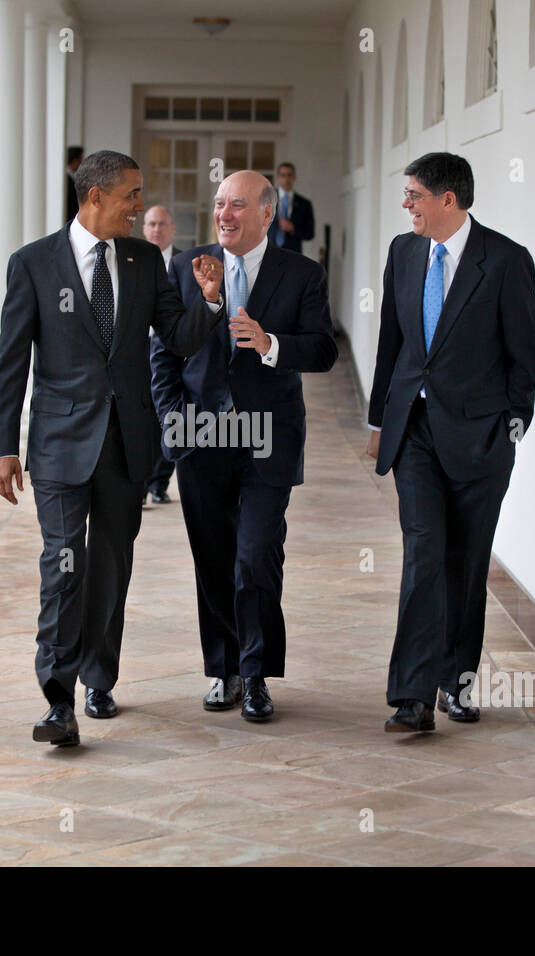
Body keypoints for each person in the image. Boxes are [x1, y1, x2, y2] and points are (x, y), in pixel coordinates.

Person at [0, 150, 225, 747]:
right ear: (95, 196)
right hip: (58, 446)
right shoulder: (33, 264)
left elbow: (178, 339)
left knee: (110, 567)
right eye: (131, 195)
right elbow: (11, 363)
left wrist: (209, 302)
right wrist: (3, 447)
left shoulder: (145, 260)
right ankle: (56, 701)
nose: (139, 206)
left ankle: (100, 678)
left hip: (126, 446)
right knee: (63, 565)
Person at [152, 170, 337, 722]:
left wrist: (270, 343)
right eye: (218, 204)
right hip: (201, 434)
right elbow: (163, 354)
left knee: (255, 556)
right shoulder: (189, 269)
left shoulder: (302, 274)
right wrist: (172, 419)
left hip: (268, 435)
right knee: (213, 558)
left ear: (264, 213)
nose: (224, 215)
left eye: (236, 205)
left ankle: (256, 674)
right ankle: (224, 669)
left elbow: (323, 350)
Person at [365, 152, 535, 733]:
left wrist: (512, 424)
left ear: (448, 200)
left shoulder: (506, 262)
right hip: (414, 432)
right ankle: (411, 695)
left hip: (480, 439)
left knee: (465, 562)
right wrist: (378, 422)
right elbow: (391, 340)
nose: (406, 204)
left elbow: (524, 357)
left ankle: (457, 681)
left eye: (414, 194)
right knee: (423, 553)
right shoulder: (404, 251)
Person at [142, 205, 178, 505]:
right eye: (151, 224)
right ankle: (141, 483)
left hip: (172, 352)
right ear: (144, 229)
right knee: (143, 416)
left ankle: (159, 482)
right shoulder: (132, 261)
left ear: (172, 228)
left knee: (169, 415)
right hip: (138, 351)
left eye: (162, 224)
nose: (157, 230)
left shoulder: (183, 263)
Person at [266, 162, 314, 254]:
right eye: (283, 175)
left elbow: (310, 233)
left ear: (294, 178)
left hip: (293, 254)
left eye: (289, 175)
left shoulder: (304, 204)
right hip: (268, 252)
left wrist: (293, 228)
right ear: (278, 178)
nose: (286, 179)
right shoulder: (267, 199)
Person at [64, 146, 83, 222]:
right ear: (75, 160)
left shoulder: (75, 177)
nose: (82, 162)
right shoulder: (65, 179)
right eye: (81, 159)